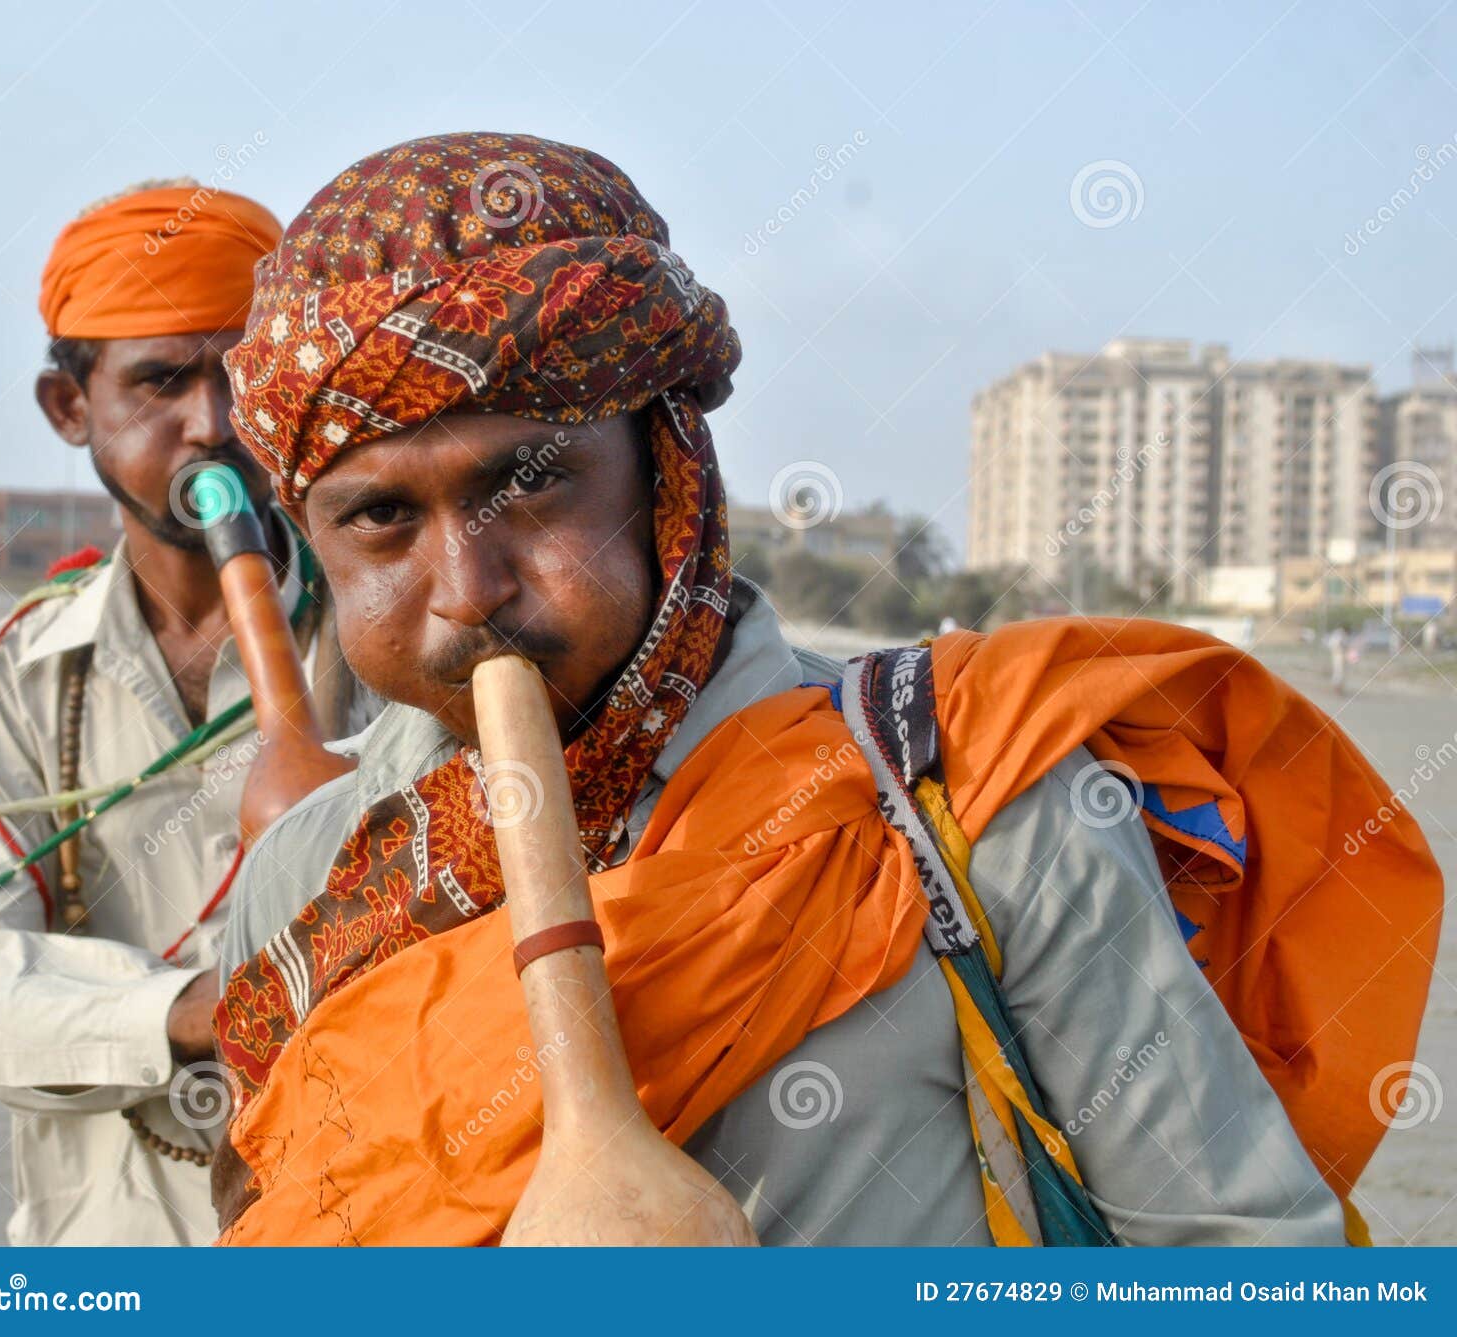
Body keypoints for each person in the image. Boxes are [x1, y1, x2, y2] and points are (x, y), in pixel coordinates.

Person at [207, 134, 1422, 1246]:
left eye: (528, 484)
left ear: (668, 475)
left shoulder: (975, 802)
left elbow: (1241, 1256)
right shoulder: (311, 881)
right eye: (380, 516)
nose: (467, 588)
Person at [0, 180, 375, 1246]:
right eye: (162, 381)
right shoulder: (13, 675)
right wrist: (206, 1009)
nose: (212, 424)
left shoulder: (396, 632)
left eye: (243, 376)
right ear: (70, 408)